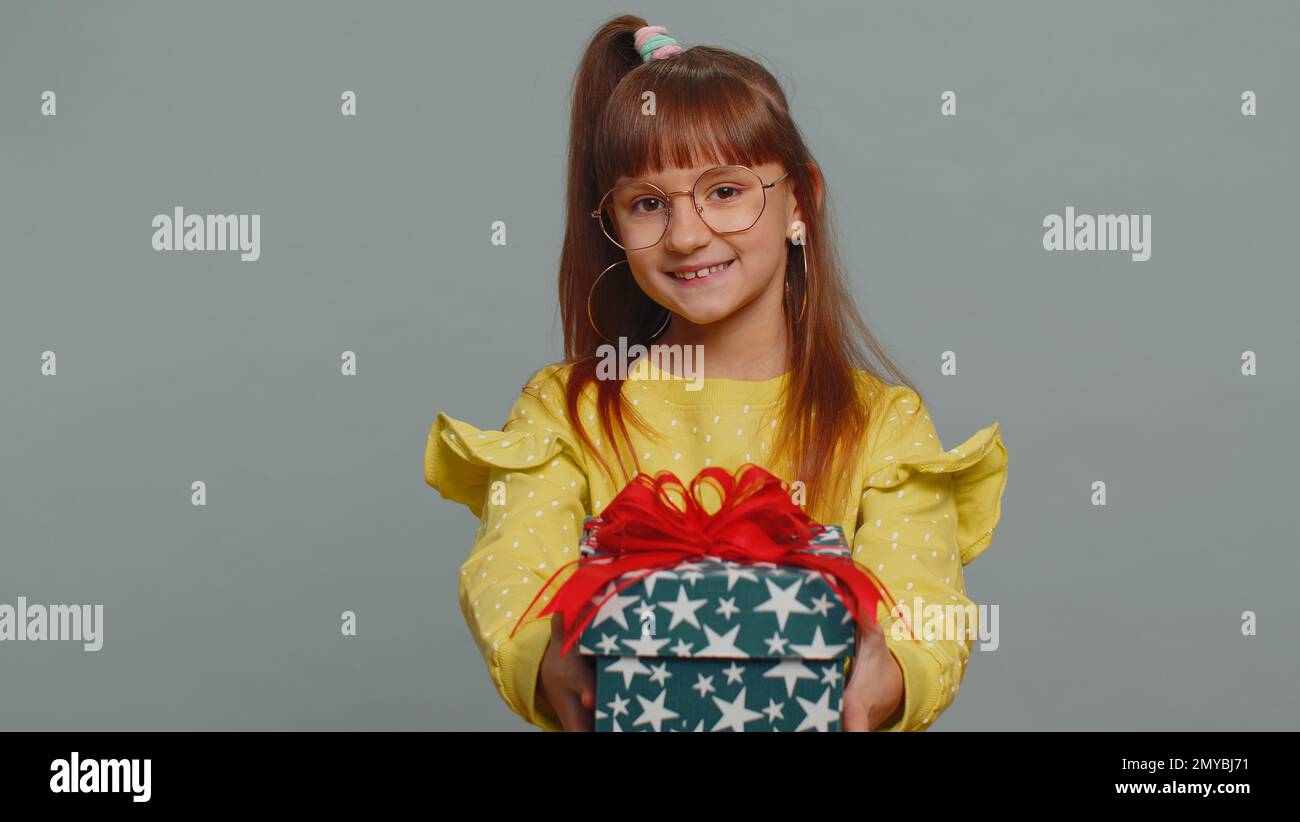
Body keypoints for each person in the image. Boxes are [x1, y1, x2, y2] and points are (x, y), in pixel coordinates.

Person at [424, 15, 1009, 731]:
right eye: (648, 204)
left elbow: (925, 606)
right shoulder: (566, 413)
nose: (688, 234)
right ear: (612, 222)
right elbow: (513, 574)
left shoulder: (880, 426)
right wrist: (547, 653)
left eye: (725, 191)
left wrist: (894, 672)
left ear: (800, 198)